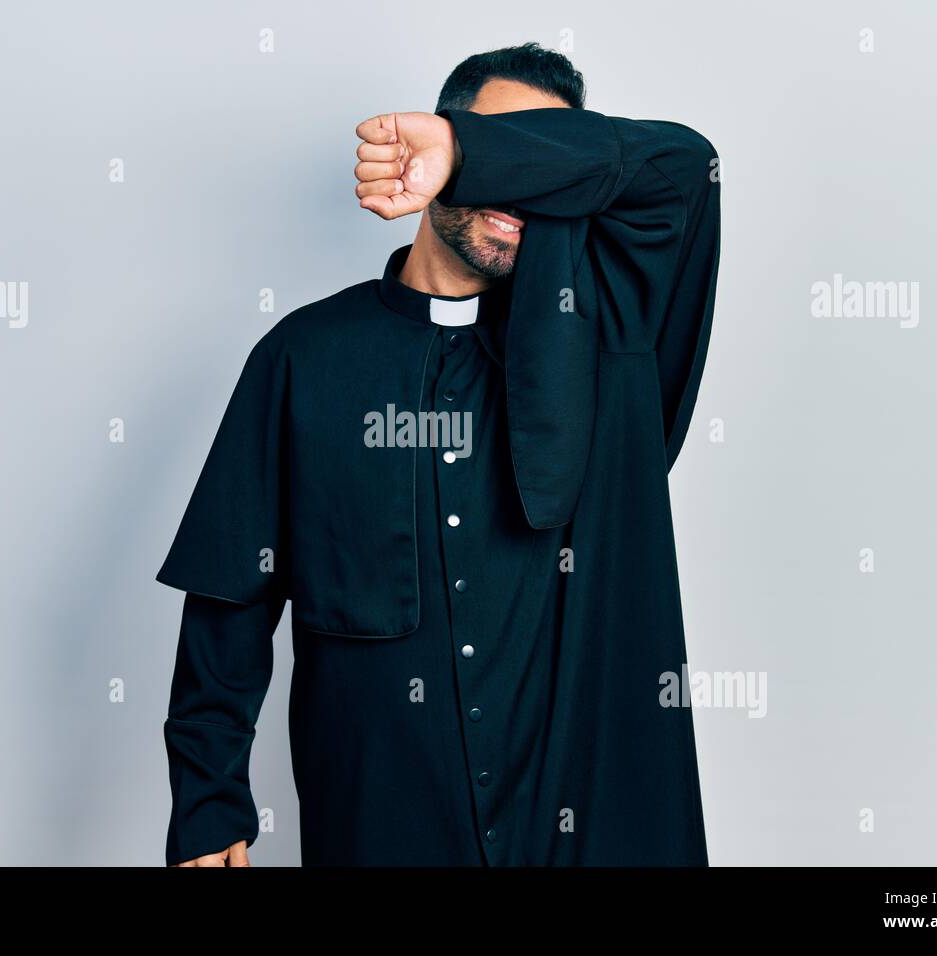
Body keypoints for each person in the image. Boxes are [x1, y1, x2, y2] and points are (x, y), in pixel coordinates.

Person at [158, 42, 721, 866]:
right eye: (499, 150)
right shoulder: (304, 357)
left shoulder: (615, 347)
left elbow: (688, 166)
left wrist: (478, 156)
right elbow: (229, 597)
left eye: (544, 165)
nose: (520, 189)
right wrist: (209, 807)